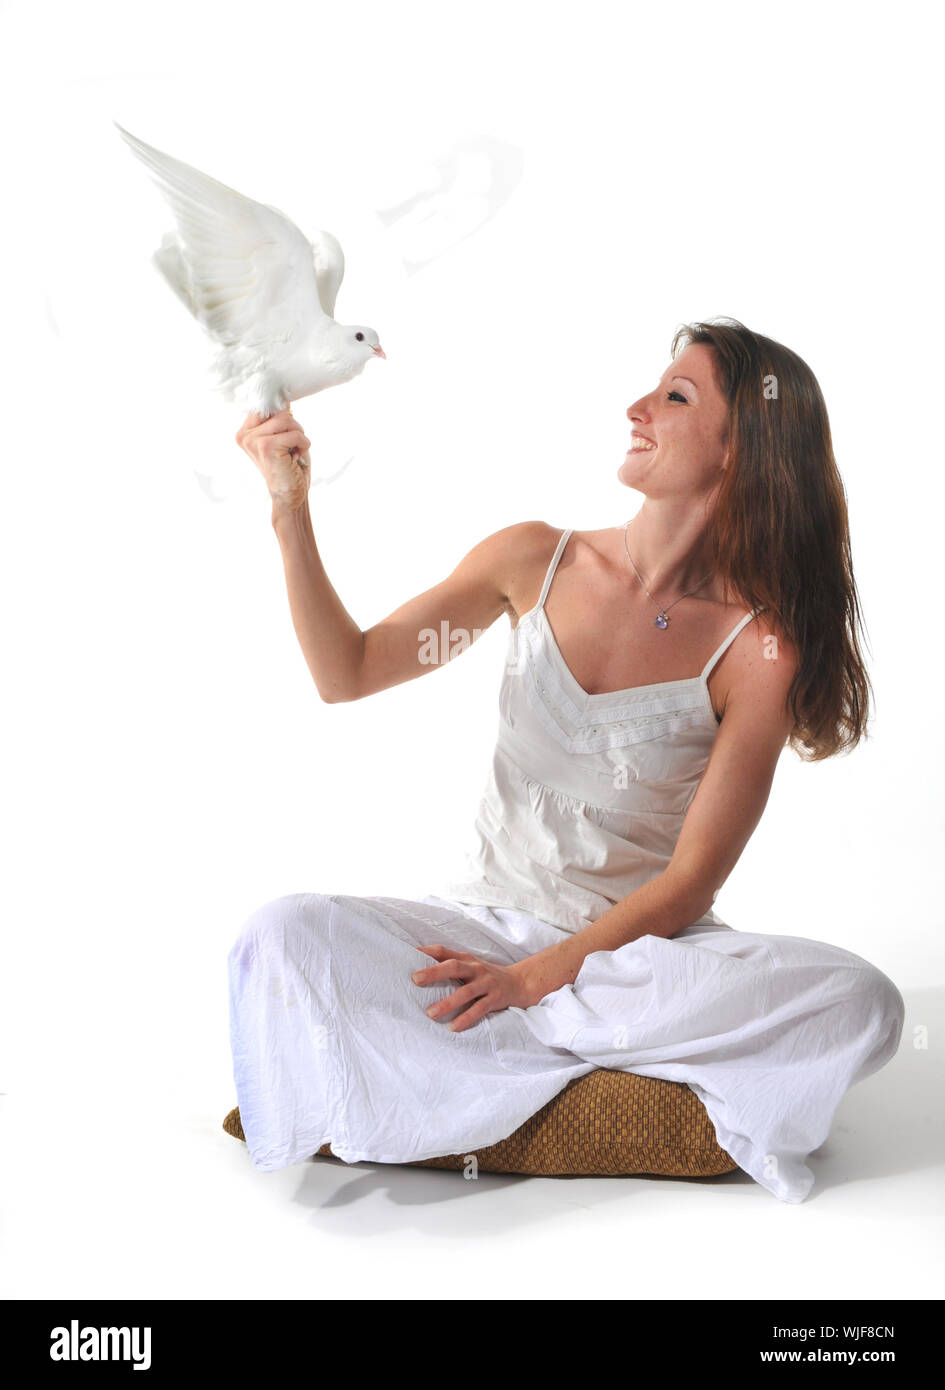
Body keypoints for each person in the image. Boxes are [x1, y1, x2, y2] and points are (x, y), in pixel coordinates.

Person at [226, 317, 904, 1204]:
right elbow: (345, 672)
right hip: (481, 932)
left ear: (739, 448)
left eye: (674, 396)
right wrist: (290, 509)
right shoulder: (534, 560)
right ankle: (585, 1087)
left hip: (634, 958)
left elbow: (689, 883)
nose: (636, 407)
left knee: (862, 1002)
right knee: (281, 935)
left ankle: (455, 1086)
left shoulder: (755, 648)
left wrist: (536, 980)